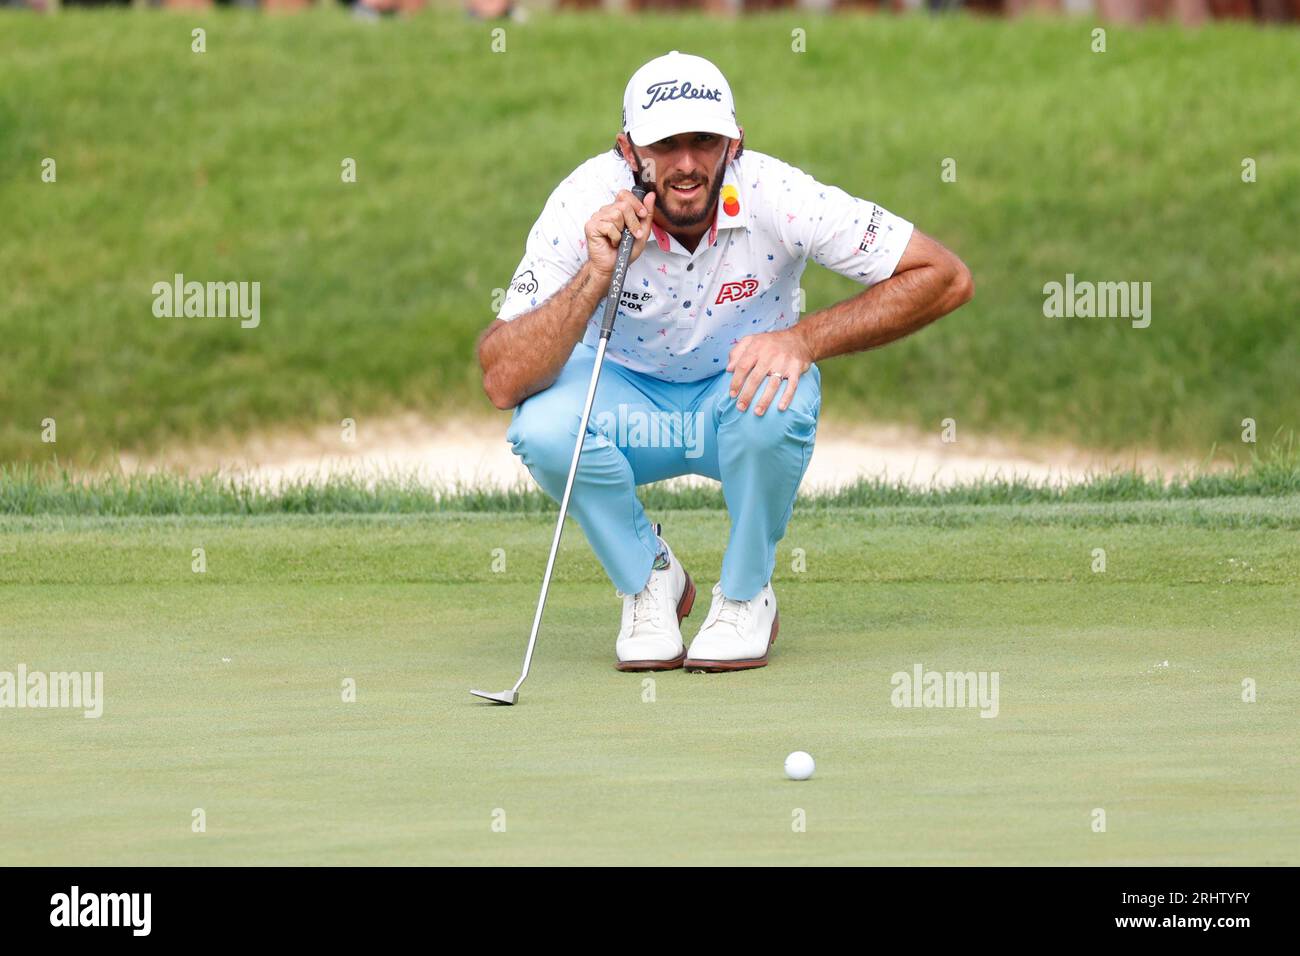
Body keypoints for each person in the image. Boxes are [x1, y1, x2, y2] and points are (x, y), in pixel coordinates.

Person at [477, 52, 973, 673]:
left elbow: (944, 277)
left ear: (734, 143)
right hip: (627, 406)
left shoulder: (781, 195)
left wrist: (804, 340)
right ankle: (647, 578)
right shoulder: (583, 200)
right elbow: (502, 378)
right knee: (541, 429)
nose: (686, 164)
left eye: (704, 141)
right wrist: (594, 275)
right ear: (628, 151)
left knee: (778, 395)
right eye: (665, 143)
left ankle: (744, 596)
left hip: (737, 404)